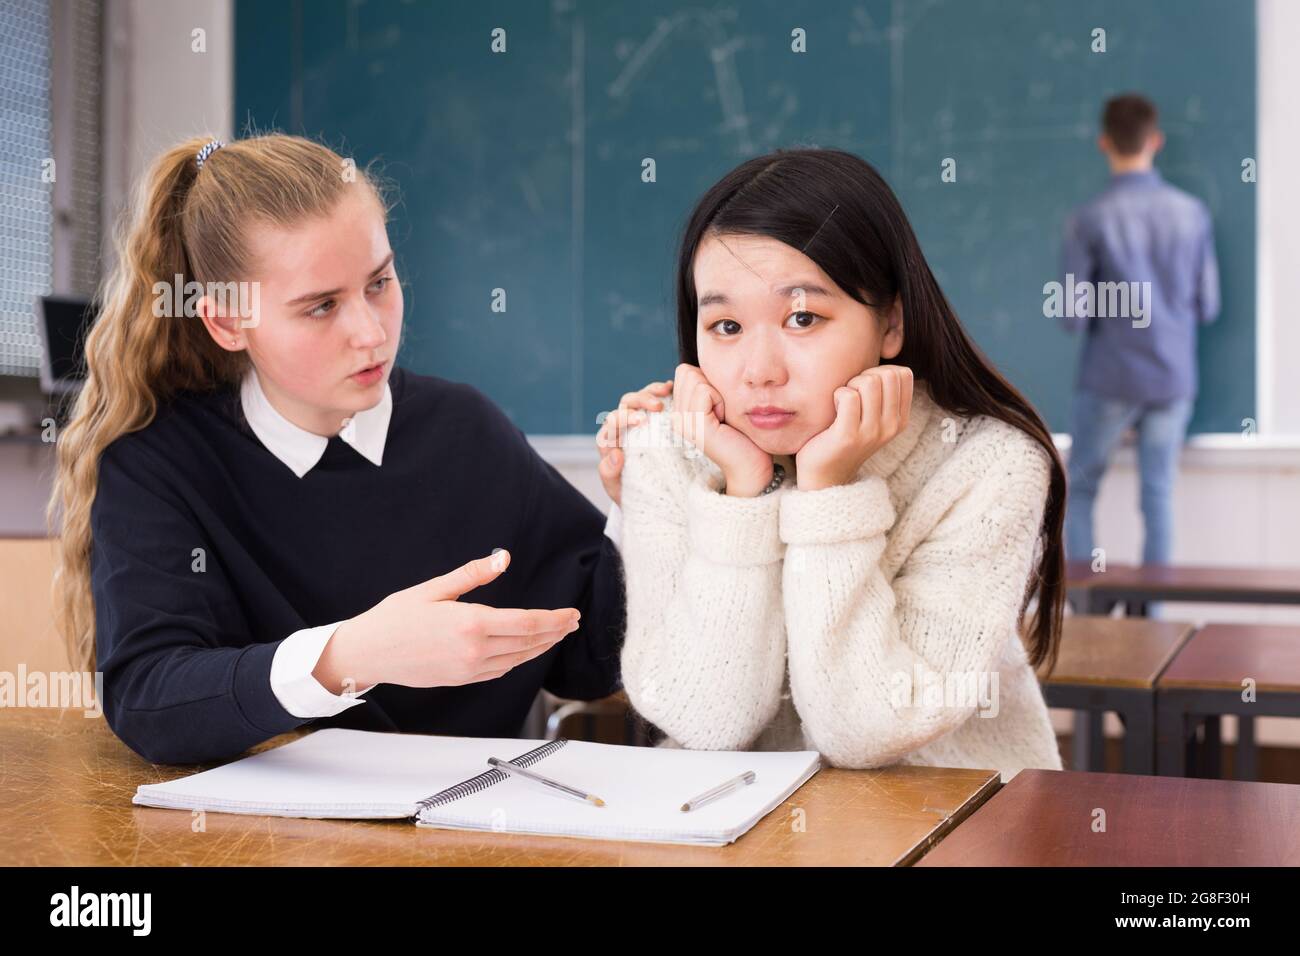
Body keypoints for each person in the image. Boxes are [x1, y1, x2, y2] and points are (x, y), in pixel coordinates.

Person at [48, 133, 625, 765]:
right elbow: (150, 700)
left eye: (379, 282)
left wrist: (644, 504)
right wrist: (351, 655)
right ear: (225, 322)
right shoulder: (160, 466)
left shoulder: (467, 430)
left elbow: (591, 662)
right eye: (320, 307)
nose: (371, 332)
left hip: (475, 829)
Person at [598, 147, 1066, 781]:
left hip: (951, 826)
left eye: (802, 317)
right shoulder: (670, 454)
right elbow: (705, 720)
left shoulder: (990, 464)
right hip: (735, 838)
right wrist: (744, 491)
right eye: (727, 326)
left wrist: (827, 488)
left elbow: (868, 731)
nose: (759, 371)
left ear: (891, 323)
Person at [1060, 93, 1220, 592]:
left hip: (1110, 377)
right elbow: (1208, 305)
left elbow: (1072, 316)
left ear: (1105, 142)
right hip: (1172, 379)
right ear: (1156, 141)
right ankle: (1151, 620)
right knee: (1157, 494)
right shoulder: (1192, 213)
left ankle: (1087, 617)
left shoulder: (1087, 219)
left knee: (1081, 490)